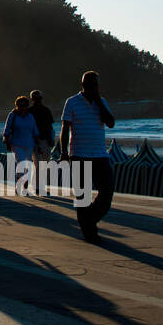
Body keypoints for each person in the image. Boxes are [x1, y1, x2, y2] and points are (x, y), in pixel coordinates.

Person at [61, 71, 116, 244]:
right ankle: (89, 232)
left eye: (96, 85)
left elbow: (110, 123)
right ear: (83, 85)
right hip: (79, 154)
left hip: (100, 155)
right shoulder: (72, 102)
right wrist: (63, 152)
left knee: (106, 194)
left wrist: (99, 101)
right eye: (90, 84)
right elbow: (65, 128)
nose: (93, 87)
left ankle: (88, 221)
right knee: (82, 197)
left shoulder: (102, 102)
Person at [3, 95, 38, 195]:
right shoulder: (12, 115)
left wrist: (38, 145)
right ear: (17, 106)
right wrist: (7, 142)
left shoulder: (30, 116)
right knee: (21, 164)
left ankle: (25, 187)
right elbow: (6, 129)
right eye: (20, 105)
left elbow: (35, 131)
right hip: (16, 144)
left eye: (25, 106)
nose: (22, 108)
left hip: (29, 144)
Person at [29, 90, 55, 195]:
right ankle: (38, 187)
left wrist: (50, 140)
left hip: (44, 140)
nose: (37, 101)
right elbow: (50, 127)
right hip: (36, 141)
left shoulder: (35, 111)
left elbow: (50, 127)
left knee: (42, 164)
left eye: (38, 99)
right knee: (38, 164)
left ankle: (39, 186)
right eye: (36, 99)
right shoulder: (41, 110)